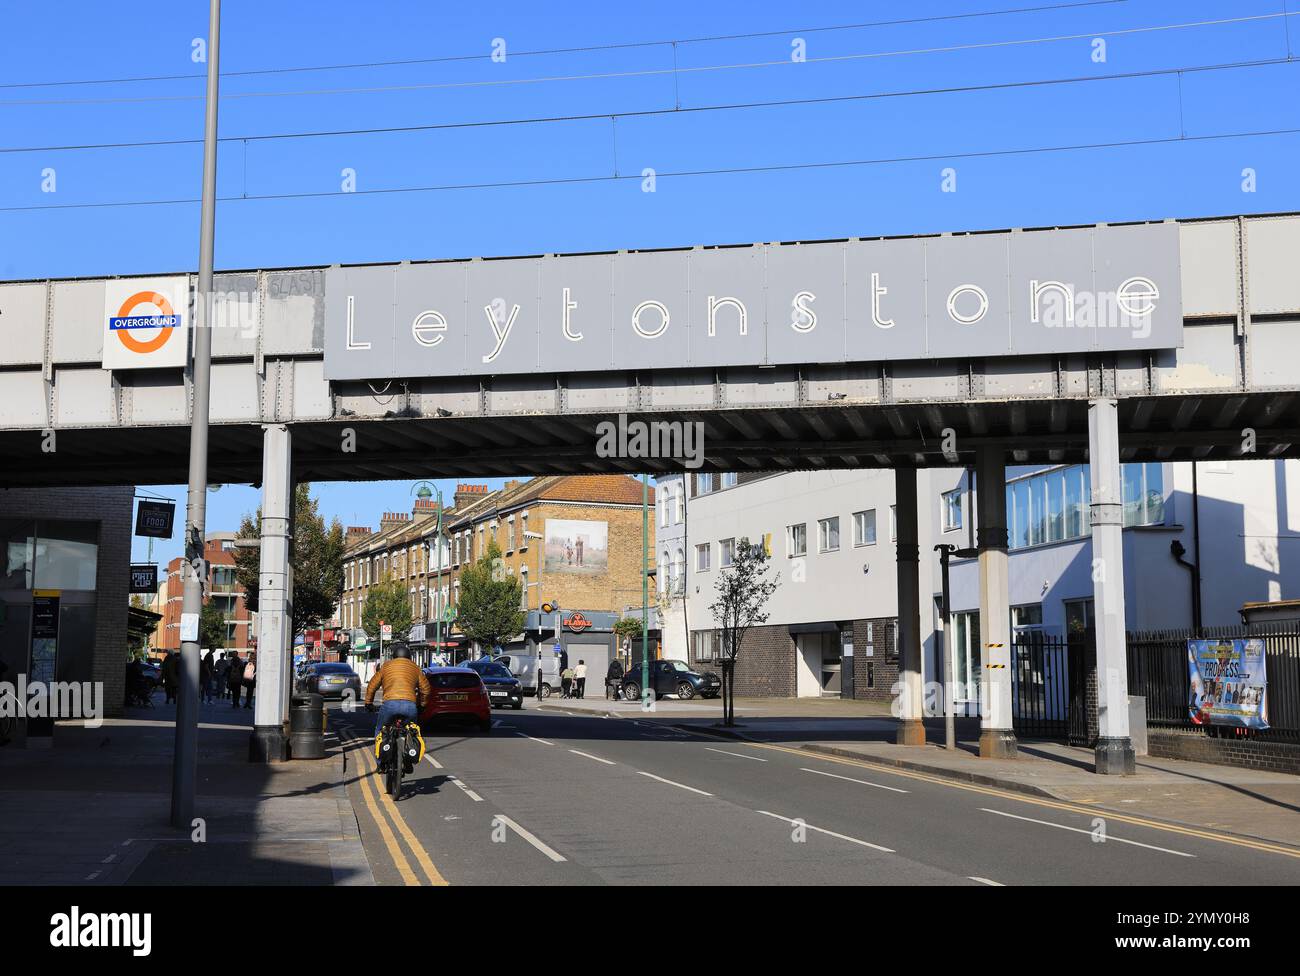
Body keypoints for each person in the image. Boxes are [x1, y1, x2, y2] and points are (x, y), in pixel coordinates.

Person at [364, 644, 432, 737]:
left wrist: (368, 703)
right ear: (409, 657)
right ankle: (411, 744)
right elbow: (426, 689)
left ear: (394, 656)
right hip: (410, 705)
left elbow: (372, 686)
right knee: (412, 730)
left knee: (380, 729)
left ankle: (379, 750)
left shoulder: (386, 666)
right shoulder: (416, 668)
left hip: (389, 704)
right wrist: (422, 705)